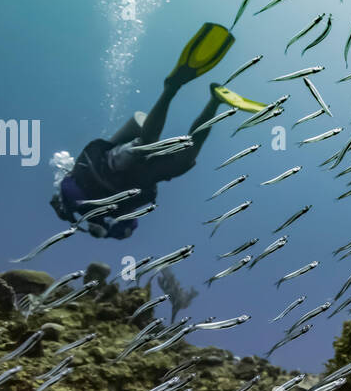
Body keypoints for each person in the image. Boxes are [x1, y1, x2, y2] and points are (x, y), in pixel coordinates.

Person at [50, 22, 263, 238]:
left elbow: (71, 192)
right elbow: (127, 229)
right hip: (139, 178)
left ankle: (172, 86)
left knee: (145, 144)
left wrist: (78, 216)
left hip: (108, 166)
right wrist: (105, 230)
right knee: (185, 159)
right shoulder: (112, 212)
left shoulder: (73, 193)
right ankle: (215, 101)